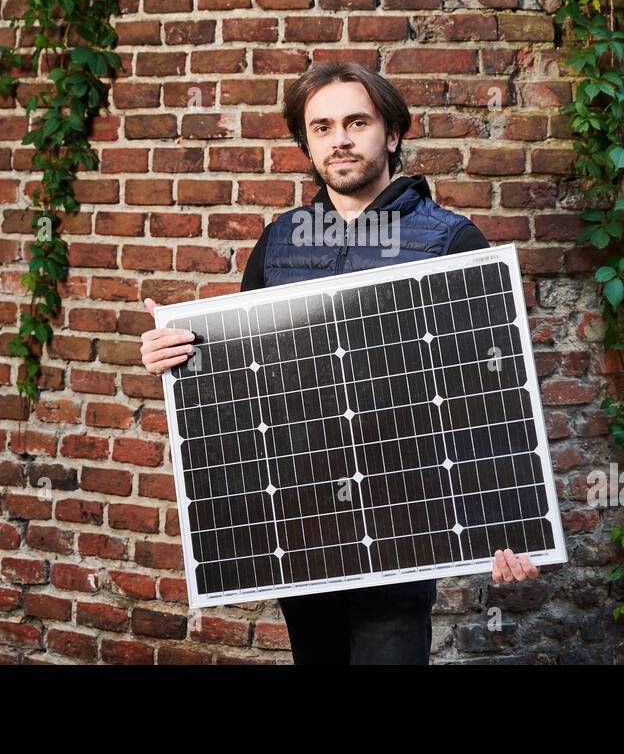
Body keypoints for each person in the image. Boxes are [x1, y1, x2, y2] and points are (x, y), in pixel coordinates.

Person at [140, 62, 539, 664]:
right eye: (322, 127)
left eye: (358, 122)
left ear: (393, 134)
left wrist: (510, 522)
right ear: (308, 143)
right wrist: (172, 353)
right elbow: (245, 374)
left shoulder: (450, 240)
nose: (340, 139)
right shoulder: (280, 241)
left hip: (406, 518)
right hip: (302, 521)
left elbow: (490, 387)